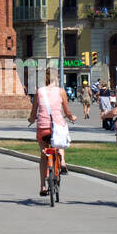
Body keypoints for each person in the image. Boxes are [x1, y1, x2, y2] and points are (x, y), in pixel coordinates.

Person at [27, 67, 75, 196]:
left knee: (43, 156)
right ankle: (63, 161)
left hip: (43, 127)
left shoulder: (39, 92)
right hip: (57, 126)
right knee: (60, 138)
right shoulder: (61, 92)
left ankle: (42, 186)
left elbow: (34, 111)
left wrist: (31, 119)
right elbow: (67, 111)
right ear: (57, 78)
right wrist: (71, 117)